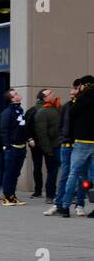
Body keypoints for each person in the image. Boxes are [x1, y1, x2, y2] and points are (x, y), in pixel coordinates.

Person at [55, 75, 94, 218]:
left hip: (81, 142)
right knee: (91, 177)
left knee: (73, 174)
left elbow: (72, 113)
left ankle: (65, 207)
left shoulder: (82, 98)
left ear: (83, 85)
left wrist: (80, 96)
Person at [48, 84, 88, 217]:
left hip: (79, 144)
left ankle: (80, 204)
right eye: (71, 94)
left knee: (81, 176)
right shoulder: (66, 107)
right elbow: (61, 125)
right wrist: (63, 138)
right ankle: (58, 204)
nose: (71, 96)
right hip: (66, 145)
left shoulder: (83, 106)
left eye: (74, 93)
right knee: (65, 175)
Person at [0, 89, 30, 206]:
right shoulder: (7, 112)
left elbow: (22, 128)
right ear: (12, 99)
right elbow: (4, 130)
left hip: (21, 147)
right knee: (9, 173)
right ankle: (6, 197)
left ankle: (12, 196)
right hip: (12, 148)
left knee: (16, 173)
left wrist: (28, 139)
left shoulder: (20, 109)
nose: (18, 94)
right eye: (15, 94)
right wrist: (7, 146)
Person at [29, 92, 60, 203]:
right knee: (44, 168)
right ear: (44, 98)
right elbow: (32, 128)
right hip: (41, 145)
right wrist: (30, 139)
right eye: (49, 93)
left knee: (49, 169)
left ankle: (43, 192)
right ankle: (44, 192)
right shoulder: (36, 111)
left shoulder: (56, 108)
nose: (53, 94)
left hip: (50, 144)